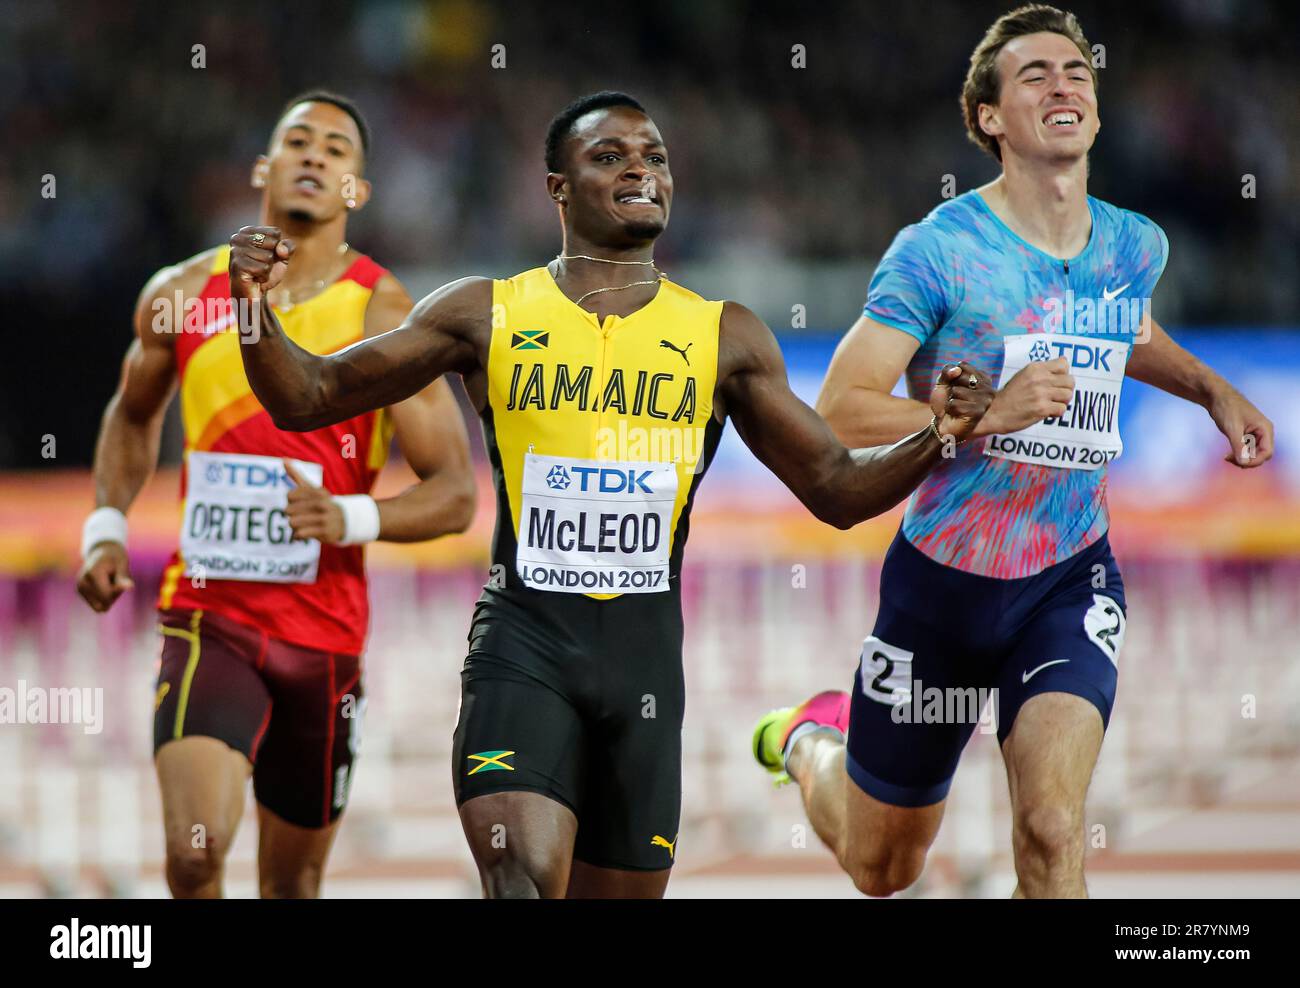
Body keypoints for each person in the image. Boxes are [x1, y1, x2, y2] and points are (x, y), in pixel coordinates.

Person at [224, 90, 993, 898]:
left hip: (645, 677)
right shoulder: (483, 314)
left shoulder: (723, 336)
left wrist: (937, 434)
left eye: (654, 157)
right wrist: (251, 307)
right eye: (610, 156)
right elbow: (306, 394)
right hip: (522, 653)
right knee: (519, 875)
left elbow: (835, 488)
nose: (640, 169)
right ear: (558, 188)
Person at [751, 4, 1274, 898]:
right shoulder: (939, 252)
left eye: (1078, 73)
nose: (1063, 84)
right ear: (990, 119)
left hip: (1068, 579)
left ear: (1097, 111)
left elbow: (1123, 330)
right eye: (1034, 75)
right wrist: (981, 416)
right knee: (883, 867)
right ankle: (810, 739)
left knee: (1050, 826)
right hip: (940, 589)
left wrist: (1210, 388)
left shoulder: (1134, 245)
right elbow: (840, 408)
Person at [75, 91, 477, 898]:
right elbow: (131, 414)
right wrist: (105, 527)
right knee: (194, 858)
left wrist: (349, 517)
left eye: (337, 149)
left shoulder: (385, 311)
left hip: (323, 640)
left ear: (357, 191)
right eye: (298, 141)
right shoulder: (182, 292)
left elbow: (457, 493)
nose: (315, 156)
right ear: (264, 167)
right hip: (209, 617)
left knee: (289, 889)